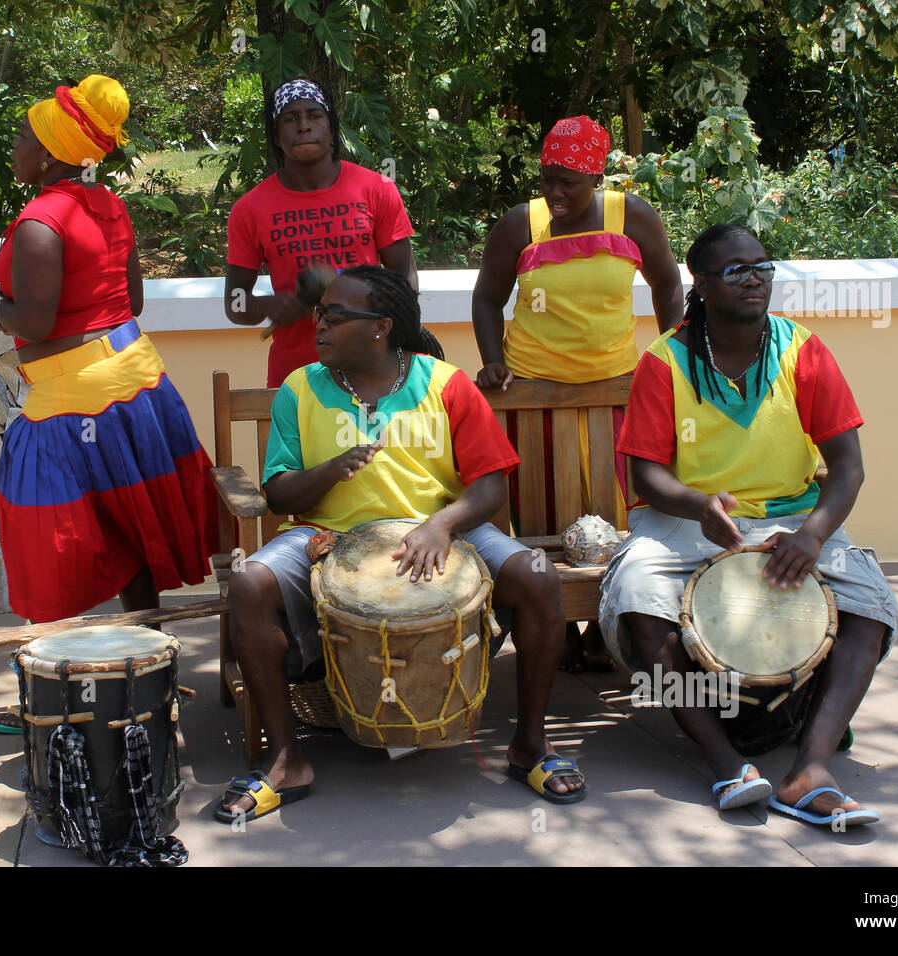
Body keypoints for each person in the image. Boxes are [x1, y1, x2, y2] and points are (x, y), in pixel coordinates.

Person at [216, 265, 586, 822]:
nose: (320, 324)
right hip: (330, 535)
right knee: (248, 583)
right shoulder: (300, 387)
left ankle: (530, 744)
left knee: (537, 576)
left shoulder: (445, 383)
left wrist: (441, 524)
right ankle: (287, 758)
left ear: (381, 327)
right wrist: (331, 469)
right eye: (320, 312)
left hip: (445, 527)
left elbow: (489, 484)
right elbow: (277, 492)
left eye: (336, 316)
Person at [597, 223, 898, 827]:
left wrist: (814, 532)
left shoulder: (803, 349)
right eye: (736, 270)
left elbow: (847, 467)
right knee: (637, 598)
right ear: (702, 284)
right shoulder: (666, 361)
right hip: (689, 521)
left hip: (791, 518)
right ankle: (725, 763)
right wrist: (699, 505)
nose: (755, 278)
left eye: (763, 266)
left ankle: (811, 767)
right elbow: (647, 478)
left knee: (870, 604)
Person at [0, 74, 218, 644]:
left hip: (71, 396)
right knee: (129, 530)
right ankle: (153, 666)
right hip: (137, 384)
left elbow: (31, 322)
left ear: (53, 153)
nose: (15, 147)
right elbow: (131, 301)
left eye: (23, 137)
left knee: (42, 531)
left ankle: (50, 689)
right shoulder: (109, 207)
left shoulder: (39, 223)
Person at [471, 114, 684, 672]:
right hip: (533, 390)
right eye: (547, 178)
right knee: (542, 510)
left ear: (598, 176)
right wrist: (493, 361)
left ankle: (601, 626)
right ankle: (556, 628)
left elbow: (666, 282)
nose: (555, 192)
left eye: (569, 180)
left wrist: (673, 353)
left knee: (613, 510)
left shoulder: (631, 216)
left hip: (618, 389)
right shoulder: (522, 224)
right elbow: (487, 297)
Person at [225, 77, 418, 388]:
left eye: (314, 115)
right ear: (276, 135)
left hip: (373, 367)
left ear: (331, 127)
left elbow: (405, 277)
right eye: (290, 119)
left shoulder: (376, 189)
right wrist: (268, 306)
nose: (304, 126)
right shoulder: (249, 209)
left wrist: (396, 333)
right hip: (296, 375)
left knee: (379, 440)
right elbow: (235, 304)